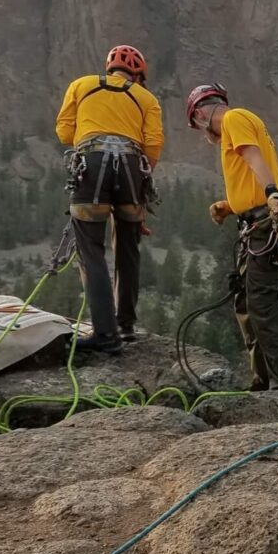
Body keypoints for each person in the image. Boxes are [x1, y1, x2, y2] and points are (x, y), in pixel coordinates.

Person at [185, 83, 278, 390]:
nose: (203, 134)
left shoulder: (233, 119)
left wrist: (272, 193)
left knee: (262, 305)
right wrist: (230, 206)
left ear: (200, 114)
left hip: (264, 223)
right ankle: (262, 380)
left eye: (197, 125)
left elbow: (253, 157)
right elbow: (249, 175)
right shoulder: (240, 122)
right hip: (256, 223)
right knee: (246, 302)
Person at [55, 45, 164, 353]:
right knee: (128, 246)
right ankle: (125, 325)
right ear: (138, 76)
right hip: (132, 167)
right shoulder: (146, 98)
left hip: (91, 163)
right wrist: (139, 191)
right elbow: (153, 146)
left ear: (109, 68)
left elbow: (64, 132)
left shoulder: (81, 85)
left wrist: (92, 130)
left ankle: (105, 333)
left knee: (90, 249)